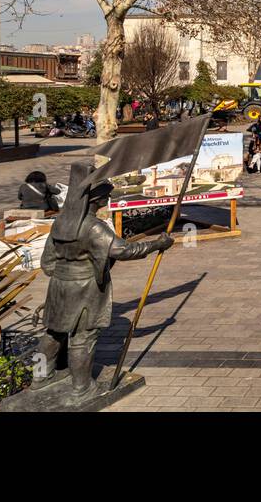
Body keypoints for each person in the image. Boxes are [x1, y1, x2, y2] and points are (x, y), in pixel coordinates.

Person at [32, 162, 173, 397]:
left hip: (59, 285)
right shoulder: (94, 227)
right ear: (93, 199)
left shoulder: (60, 223)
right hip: (85, 288)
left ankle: (40, 377)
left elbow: (47, 263)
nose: (107, 201)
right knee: (83, 337)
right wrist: (157, 244)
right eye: (105, 197)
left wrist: (63, 276)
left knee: (53, 332)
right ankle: (82, 388)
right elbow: (124, 250)